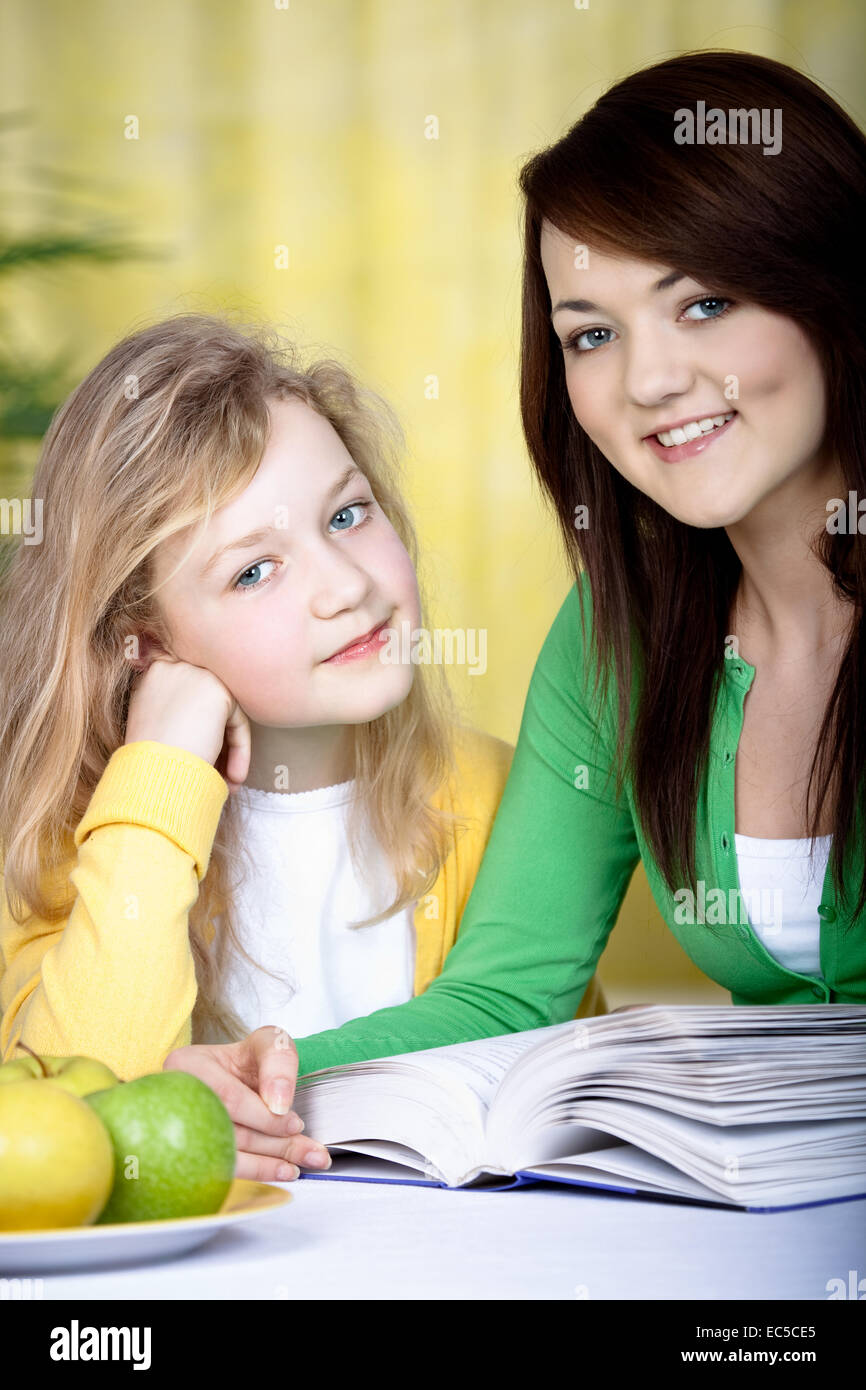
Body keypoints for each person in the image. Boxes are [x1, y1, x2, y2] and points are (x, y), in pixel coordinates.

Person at [143, 47, 864, 1177]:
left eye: (704, 303)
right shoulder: (613, 643)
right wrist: (251, 1078)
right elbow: (503, 992)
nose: (647, 381)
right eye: (591, 333)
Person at [0, 309, 609, 1182]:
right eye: (254, 570)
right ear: (143, 641)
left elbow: (565, 1095)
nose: (346, 585)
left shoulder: (500, 796)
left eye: (349, 514)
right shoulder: (68, 850)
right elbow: (69, 1113)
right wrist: (161, 774)